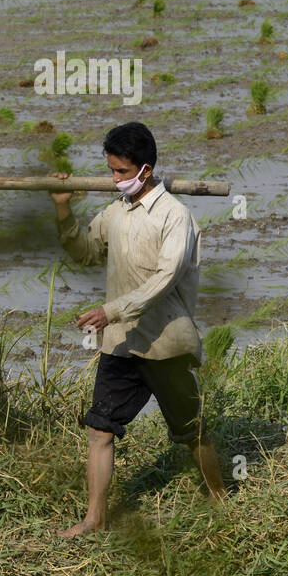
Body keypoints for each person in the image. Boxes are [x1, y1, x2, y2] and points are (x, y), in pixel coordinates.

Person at [49, 122, 226, 538]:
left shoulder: (175, 218)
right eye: (110, 171)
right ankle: (95, 519)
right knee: (99, 428)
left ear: (145, 171)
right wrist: (62, 208)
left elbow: (164, 279)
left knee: (190, 431)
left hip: (165, 342)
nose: (115, 179)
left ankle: (219, 498)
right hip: (122, 344)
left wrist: (112, 310)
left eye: (121, 172)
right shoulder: (116, 213)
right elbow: (86, 252)